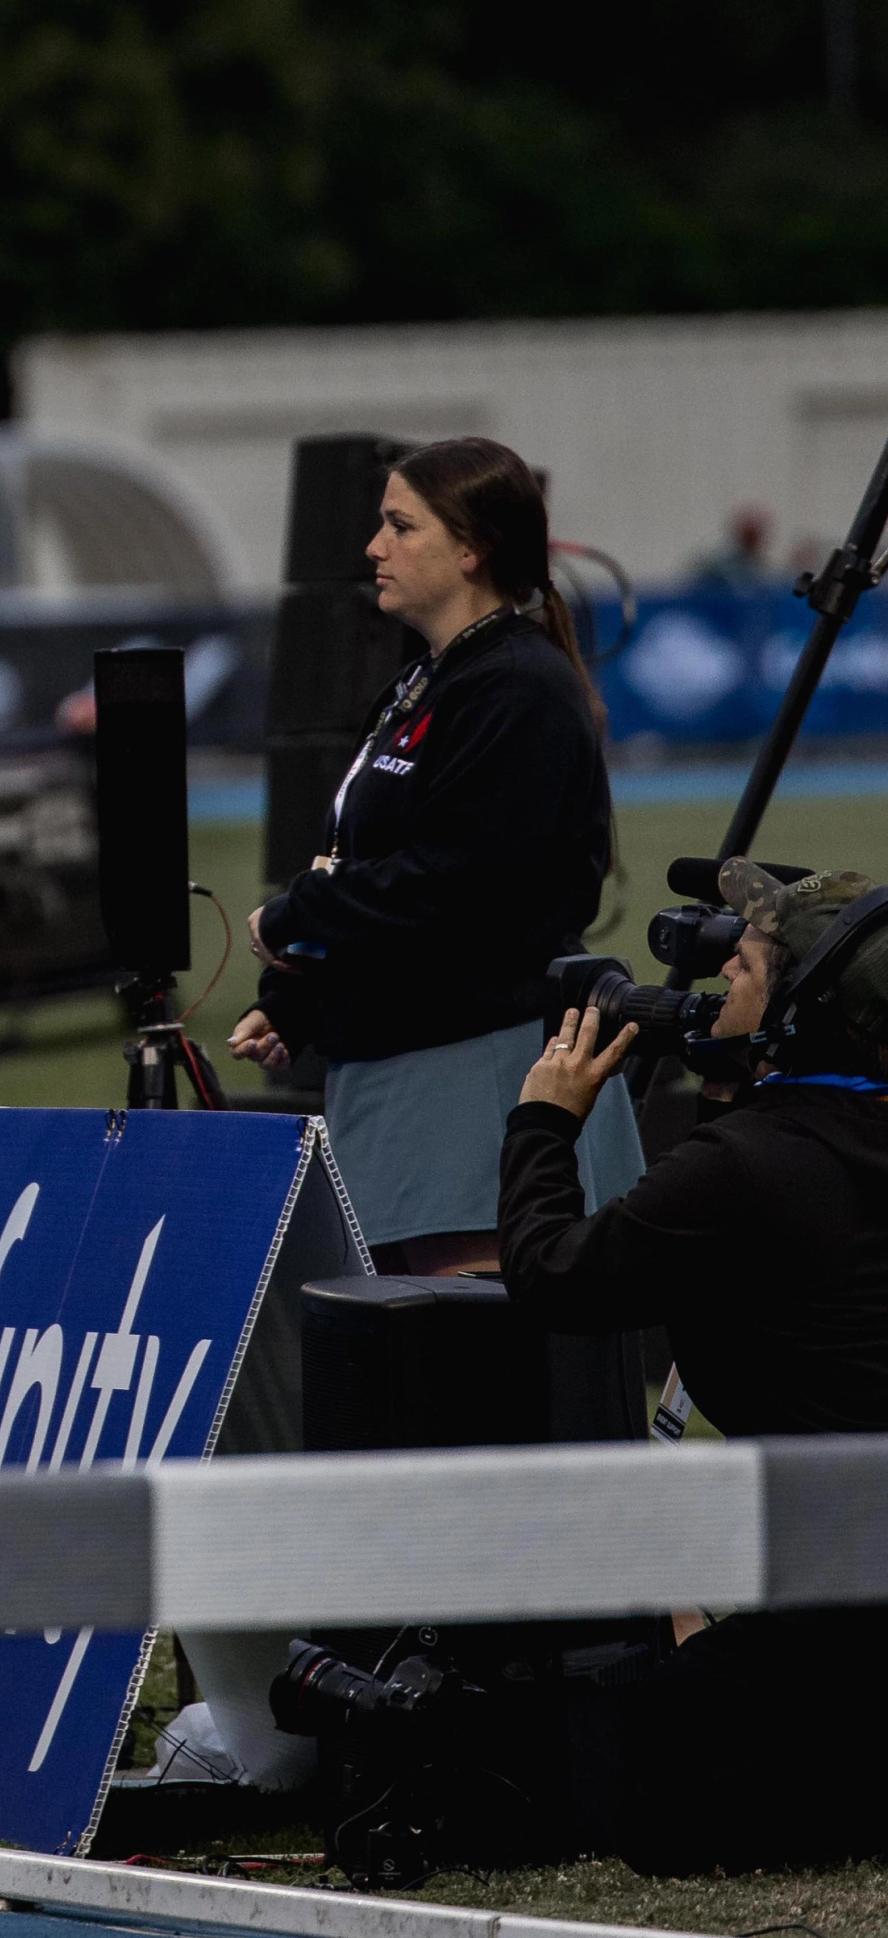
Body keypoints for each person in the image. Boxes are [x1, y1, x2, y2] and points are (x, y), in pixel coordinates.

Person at [494, 859, 888, 1876]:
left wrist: (542, 1122)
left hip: (849, 1599)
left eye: (745, 970)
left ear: (799, 1013)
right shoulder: (796, 1142)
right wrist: (727, 1084)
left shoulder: (742, 1169)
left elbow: (552, 1277)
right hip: (847, 1563)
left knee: (642, 1774)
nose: (718, 991)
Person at [226, 438, 639, 1273]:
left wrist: (296, 914)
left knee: (471, 1364)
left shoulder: (518, 686)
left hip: (479, 1069)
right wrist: (303, 1001)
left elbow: (464, 883)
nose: (375, 547)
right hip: (404, 1066)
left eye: (400, 526)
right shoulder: (428, 681)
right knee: (412, 1366)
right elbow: (376, 864)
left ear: (470, 549)